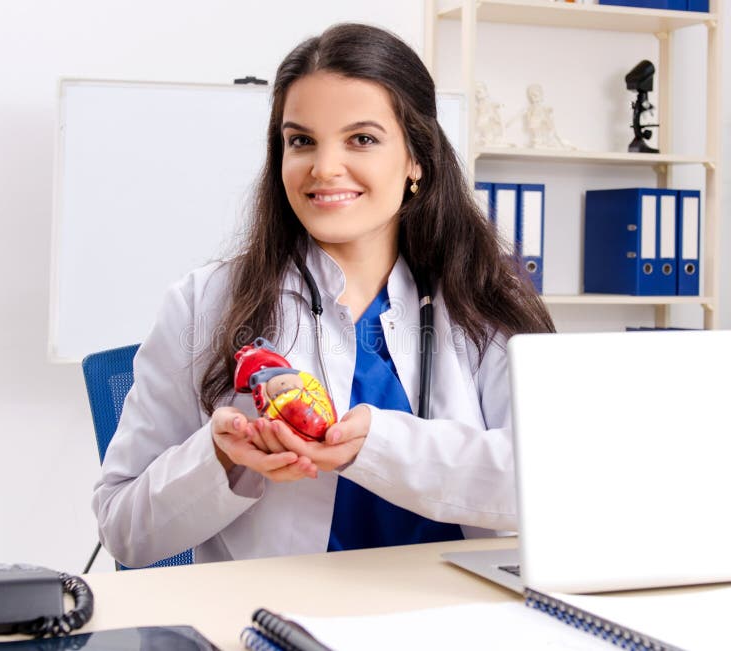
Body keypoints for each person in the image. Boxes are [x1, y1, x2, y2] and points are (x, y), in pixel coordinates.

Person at [92, 23, 555, 568]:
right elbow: (124, 529)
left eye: (362, 139)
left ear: (415, 159)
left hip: (452, 618)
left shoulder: (485, 300)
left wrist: (379, 449)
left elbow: (554, 486)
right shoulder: (204, 303)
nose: (324, 167)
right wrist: (218, 458)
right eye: (301, 141)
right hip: (277, 624)